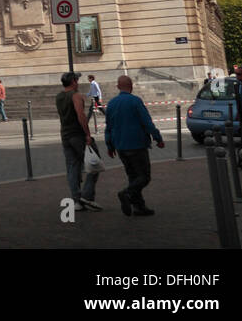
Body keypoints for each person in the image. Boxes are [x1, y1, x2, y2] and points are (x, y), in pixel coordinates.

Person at [104, 74, 164, 216]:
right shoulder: (135, 101)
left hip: (120, 146)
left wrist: (109, 146)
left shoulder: (111, 103)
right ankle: (127, 193)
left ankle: (139, 206)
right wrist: (158, 138)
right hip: (137, 145)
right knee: (144, 176)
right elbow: (147, 122)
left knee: (132, 176)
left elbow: (109, 127)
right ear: (131, 87)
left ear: (118, 87)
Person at [56, 72, 101, 211]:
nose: (78, 82)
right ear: (74, 82)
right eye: (77, 79)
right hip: (78, 135)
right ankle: (87, 196)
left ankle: (76, 200)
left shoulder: (59, 97)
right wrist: (87, 134)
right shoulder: (76, 96)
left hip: (65, 135)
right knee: (95, 163)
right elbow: (80, 115)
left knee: (72, 167)